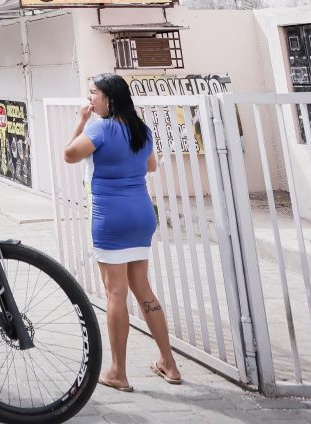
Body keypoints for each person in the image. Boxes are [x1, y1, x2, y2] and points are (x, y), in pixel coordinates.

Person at [63, 72, 182, 392]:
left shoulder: (99, 127)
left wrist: (81, 122)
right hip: (141, 214)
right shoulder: (140, 128)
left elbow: (69, 154)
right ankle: (168, 362)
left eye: (93, 94)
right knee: (143, 289)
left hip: (111, 216)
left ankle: (118, 371)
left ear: (109, 99)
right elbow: (151, 166)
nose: (90, 99)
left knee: (115, 292)